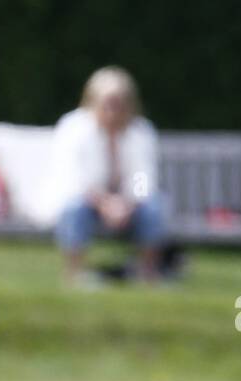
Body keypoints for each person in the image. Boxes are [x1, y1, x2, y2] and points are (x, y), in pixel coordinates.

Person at [52, 66, 166, 284]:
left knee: (154, 207)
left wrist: (127, 204)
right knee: (74, 208)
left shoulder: (140, 132)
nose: (113, 110)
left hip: (128, 206)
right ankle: (74, 275)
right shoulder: (73, 128)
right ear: (92, 101)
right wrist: (105, 204)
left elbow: (144, 177)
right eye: (108, 103)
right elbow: (74, 178)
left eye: (119, 103)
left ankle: (148, 274)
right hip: (88, 202)